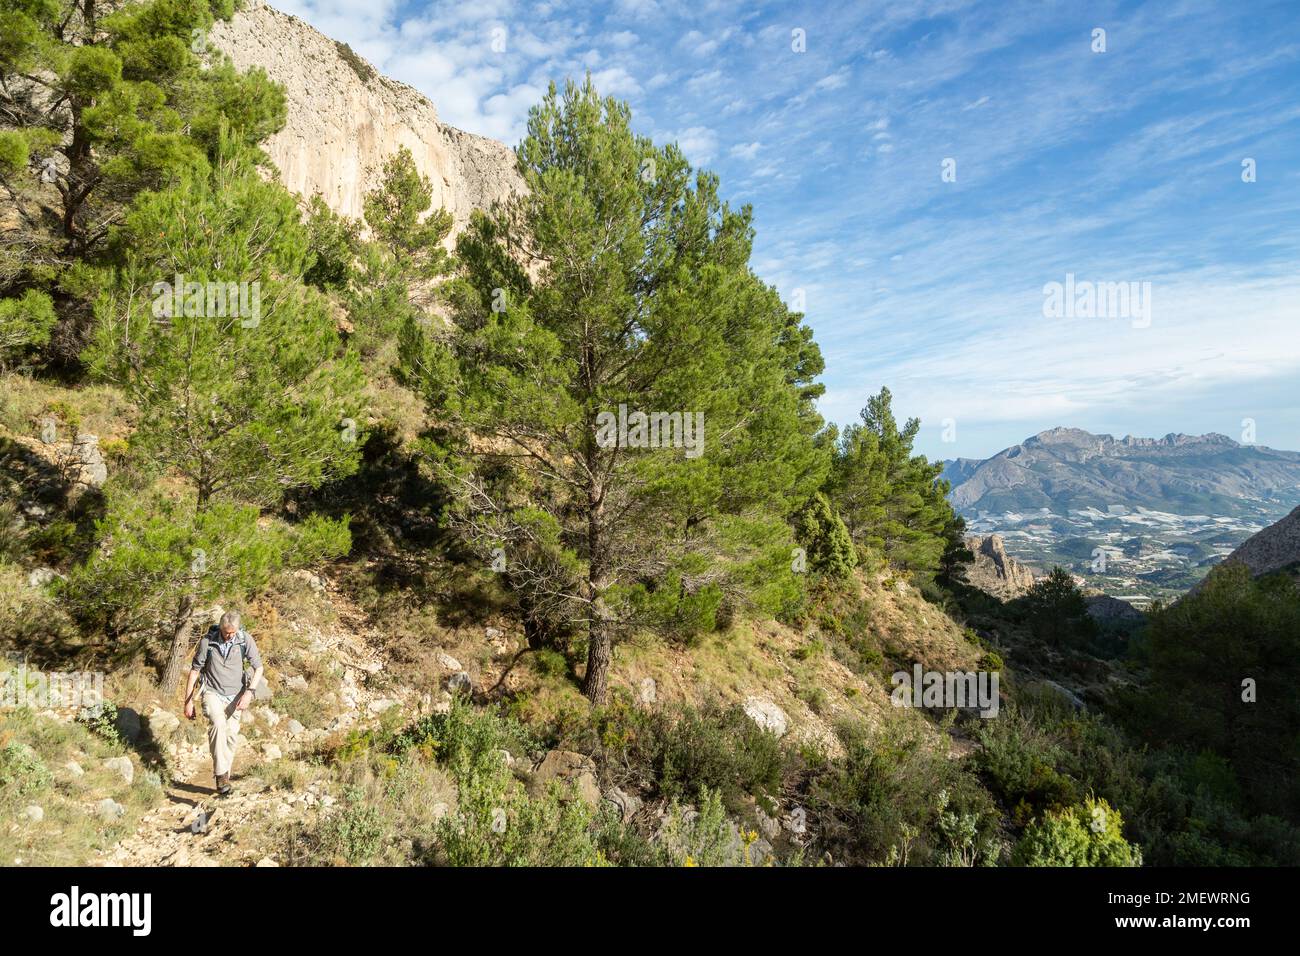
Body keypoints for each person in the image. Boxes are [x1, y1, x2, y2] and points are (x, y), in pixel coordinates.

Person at [182, 611, 263, 796]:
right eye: (227, 632)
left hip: (236, 695)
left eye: (233, 632)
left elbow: (258, 668)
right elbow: (194, 672)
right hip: (212, 692)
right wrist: (188, 702)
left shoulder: (244, 640)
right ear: (220, 628)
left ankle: (224, 775)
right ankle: (221, 776)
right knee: (218, 724)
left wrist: (249, 693)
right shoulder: (207, 642)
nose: (230, 636)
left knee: (231, 737)